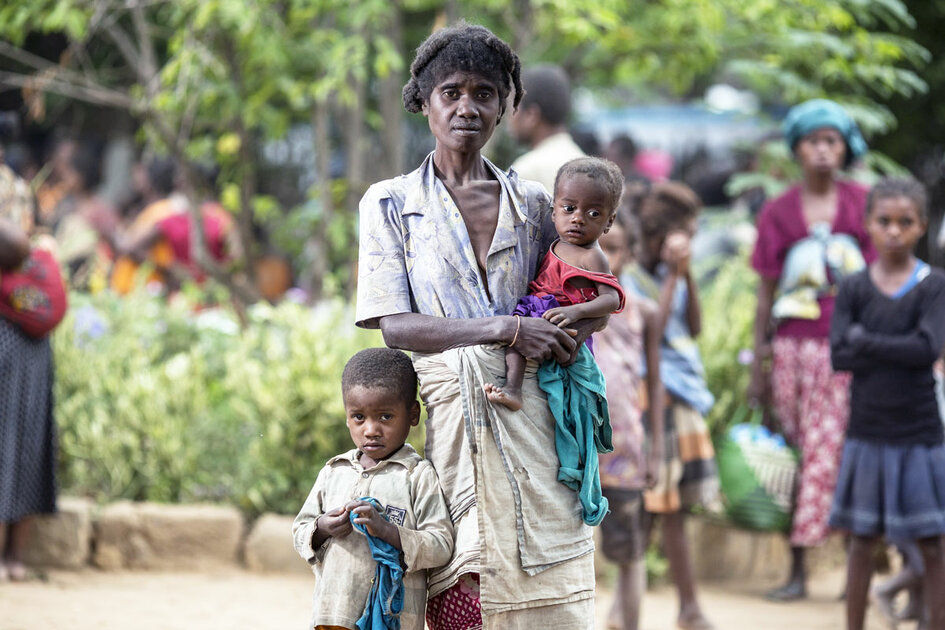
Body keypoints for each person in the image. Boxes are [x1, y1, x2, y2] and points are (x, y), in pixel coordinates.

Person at [356, 22, 602, 629]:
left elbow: (564, 293)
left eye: (484, 93)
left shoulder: (535, 203)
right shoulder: (390, 203)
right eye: (452, 92)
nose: (467, 107)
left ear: (504, 107)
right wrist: (506, 331)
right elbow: (394, 326)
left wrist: (571, 327)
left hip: (531, 417)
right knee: (458, 575)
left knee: (548, 578)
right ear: (424, 102)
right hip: (450, 420)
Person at [748, 98, 876, 601]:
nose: (822, 150)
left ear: (844, 148)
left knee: (830, 451)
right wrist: (758, 364)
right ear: (796, 149)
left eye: (831, 141)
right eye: (812, 141)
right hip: (791, 350)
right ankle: (806, 568)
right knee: (801, 453)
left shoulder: (864, 203)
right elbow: (765, 293)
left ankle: (836, 570)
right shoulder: (778, 211)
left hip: (846, 350)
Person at [829, 177, 945, 630]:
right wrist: (898, 346)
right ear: (868, 224)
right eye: (884, 221)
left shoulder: (934, 285)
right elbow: (840, 354)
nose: (894, 230)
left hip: (919, 433)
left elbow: (927, 348)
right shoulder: (854, 287)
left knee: (933, 543)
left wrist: (865, 340)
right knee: (861, 542)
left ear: (921, 226)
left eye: (905, 221)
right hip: (868, 431)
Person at [292, 347, 453, 630]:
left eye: (385, 417)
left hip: (394, 620)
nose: (370, 430)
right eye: (358, 417)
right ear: (346, 417)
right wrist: (323, 527)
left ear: (413, 414)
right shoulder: (334, 471)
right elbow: (300, 530)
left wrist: (387, 531)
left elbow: (441, 545)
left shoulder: (417, 475)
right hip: (334, 616)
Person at [622, 180, 717, 630]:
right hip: (651, 398)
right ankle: (684, 607)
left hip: (682, 394)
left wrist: (686, 275)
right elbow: (652, 333)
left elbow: (693, 327)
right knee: (661, 507)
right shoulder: (630, 277)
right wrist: (675, 276)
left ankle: (636, 608)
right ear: (662, 237)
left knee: (662, 507)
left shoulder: (670, 273)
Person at [483, 157, 626, 412]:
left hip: (564, 321)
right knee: (515, 342)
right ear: (553, 212)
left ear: (609, 221)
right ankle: (513, 389)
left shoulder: (592, 256)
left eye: (593, 214)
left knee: (568, 387)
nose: (578, 219)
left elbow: (611, 299)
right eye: (569, 208)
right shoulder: (555, 242)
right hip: (537, 309)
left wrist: (575, 312)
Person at [596, 217, 666, 630]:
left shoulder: (644, 312)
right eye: (598, 245)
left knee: (629, 551)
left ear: (631, 254)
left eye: (615, 248)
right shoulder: (564, 305)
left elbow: (654, 383)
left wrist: (656, 451)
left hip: (624, 452)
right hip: (574, 451)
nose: (605, 256)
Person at [0, 162, 58, 583]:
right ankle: (15, 559)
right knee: (25, 448)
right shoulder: (43, 252)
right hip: (36, 353)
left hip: (9, 347)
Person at [507, 64, 585, 194]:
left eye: (513, 108)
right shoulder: (583, 162)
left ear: (531, 115)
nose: (509, 118)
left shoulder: (527, 171)